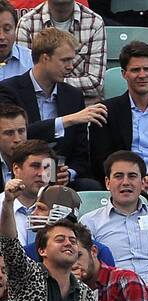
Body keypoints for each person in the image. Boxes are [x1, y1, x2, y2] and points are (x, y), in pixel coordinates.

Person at [0, 27, 102, 184]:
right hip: (20, 174)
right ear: (45, 58)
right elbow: (20, 135)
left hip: (58, 177)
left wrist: (70, 173)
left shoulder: (73, 96)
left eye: (71, 60)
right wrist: (66, 121)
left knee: (91, 185)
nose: (70, 66)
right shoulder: (9, 89)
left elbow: (81, 155)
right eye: (65, 60)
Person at [82, 150, 148, 278]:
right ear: (107, 182)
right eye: (118, 176)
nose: (126, 182)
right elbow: (88, 269)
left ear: (143, 182)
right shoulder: (90, 222)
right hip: (112, 291)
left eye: (132, 176)